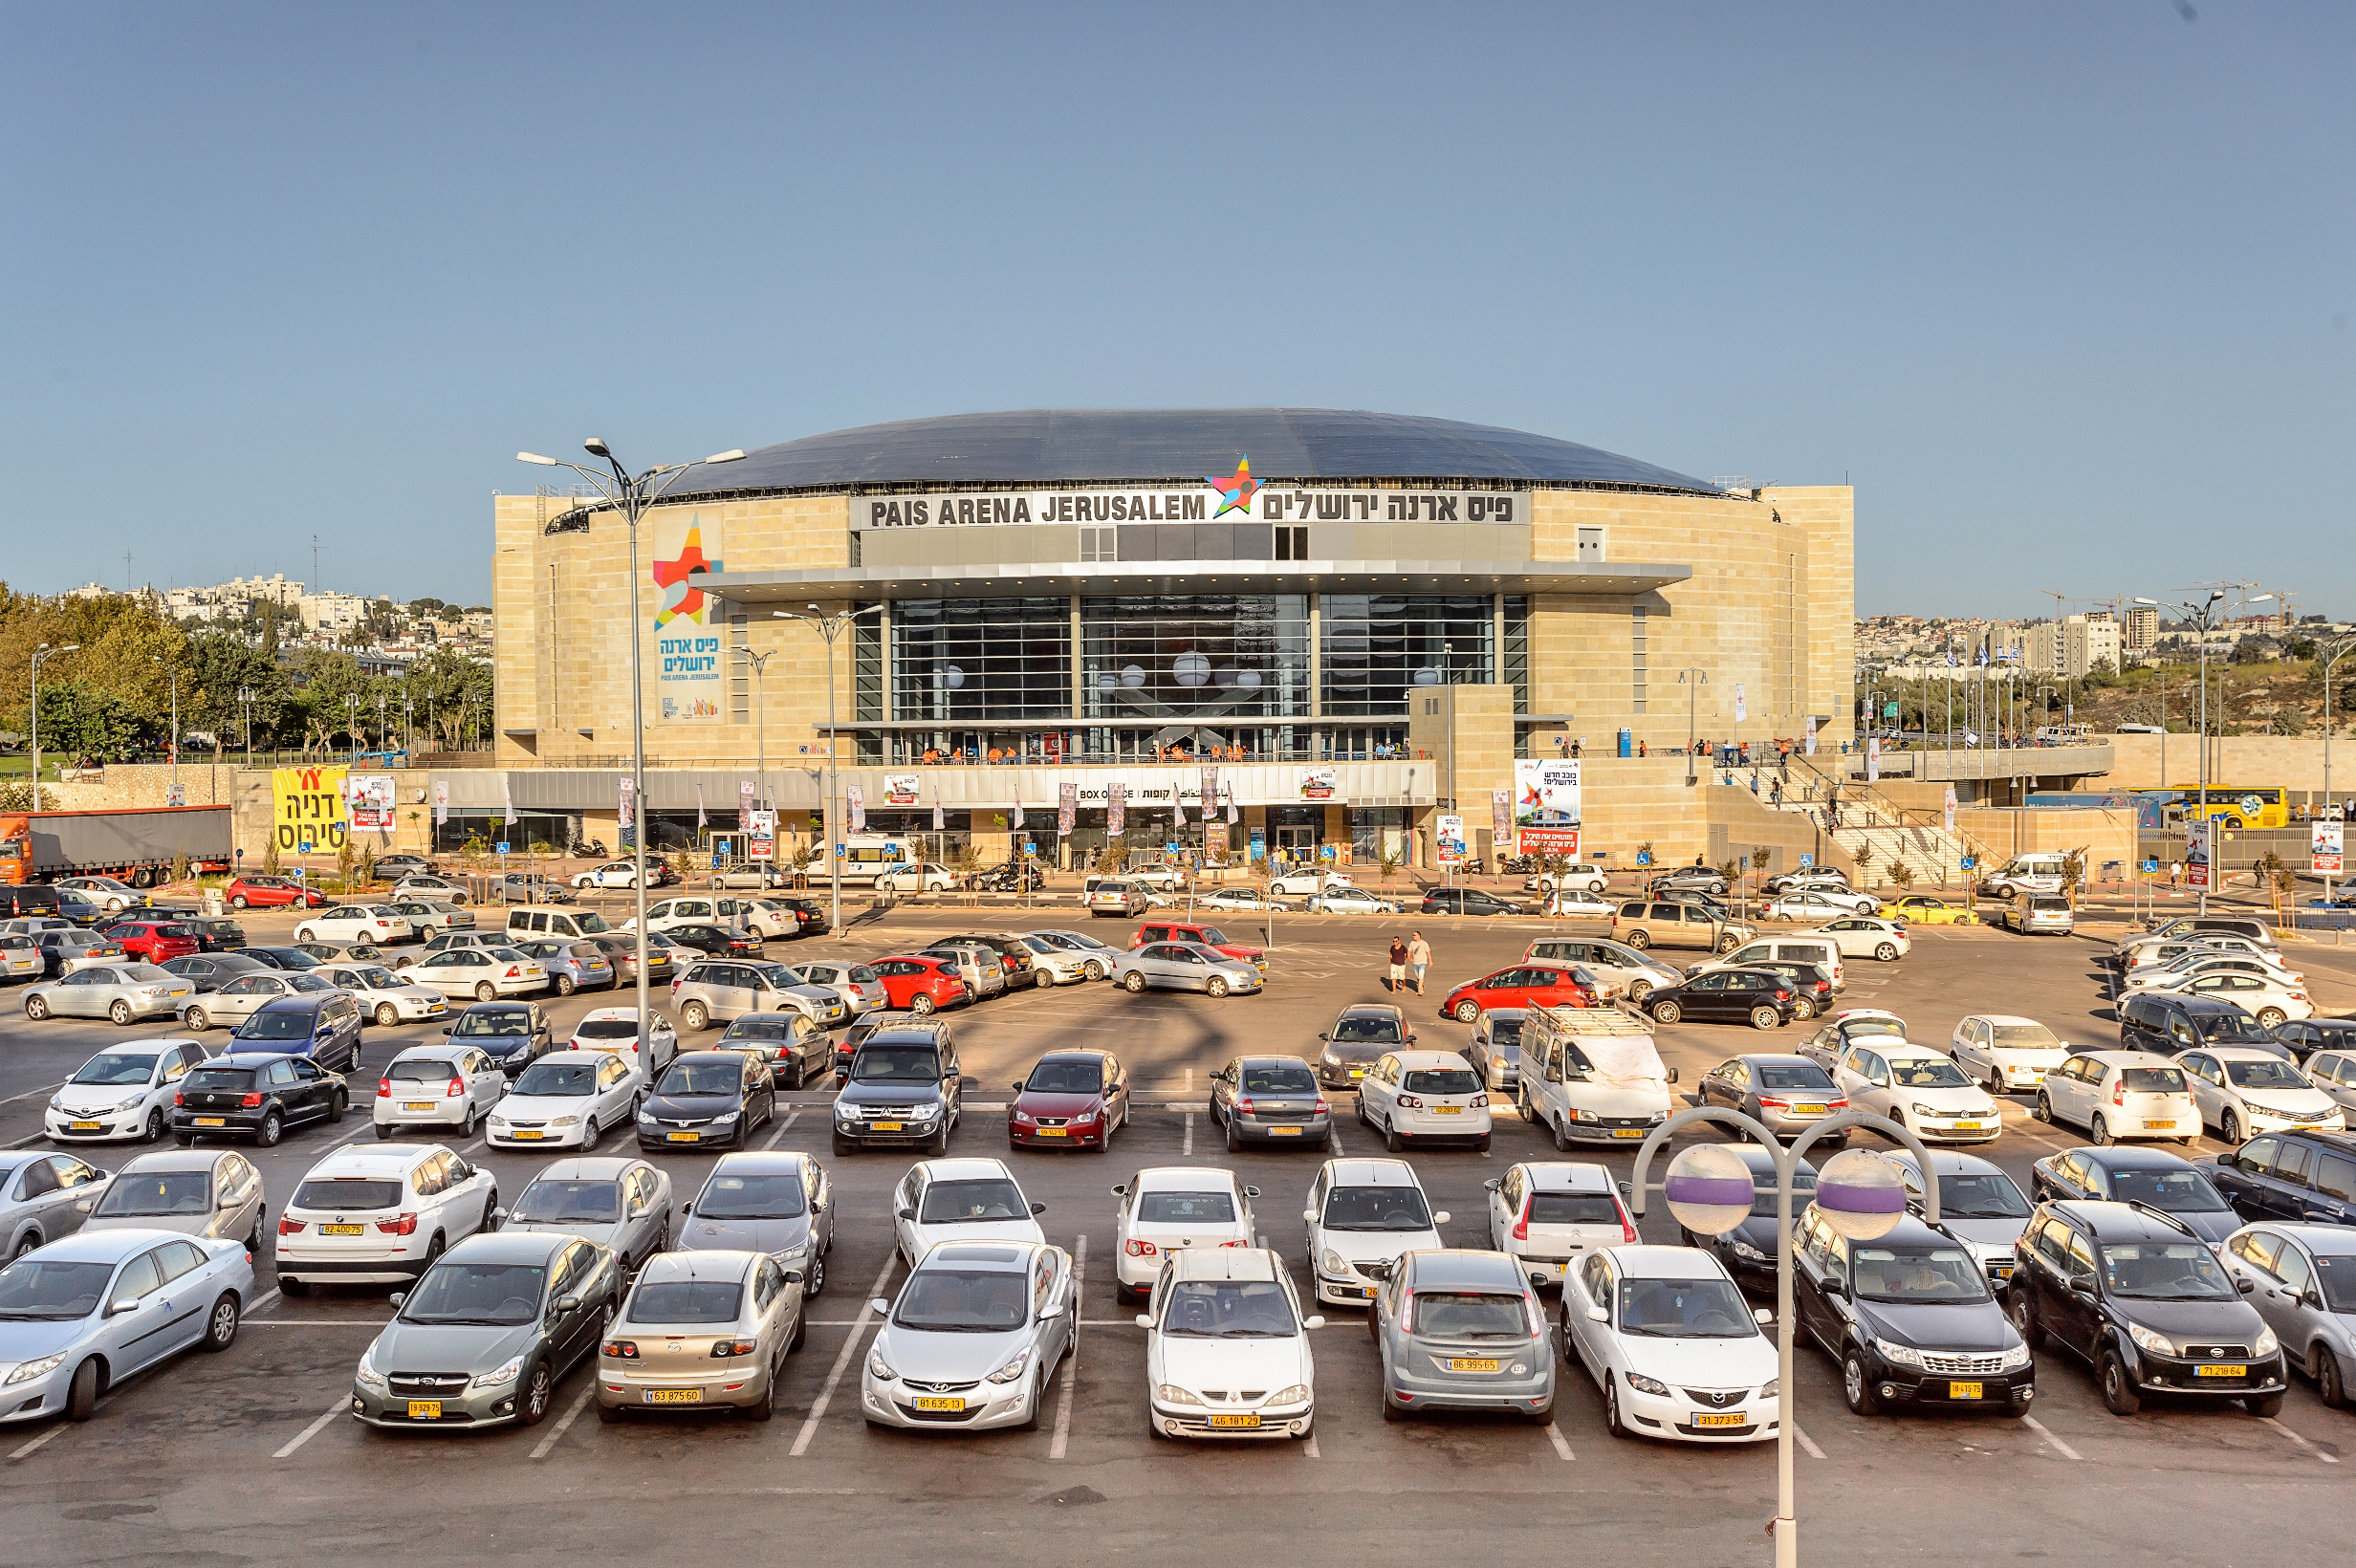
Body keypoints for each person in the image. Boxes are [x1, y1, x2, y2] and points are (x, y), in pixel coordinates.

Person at [1407, 930, 1432, 994]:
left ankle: (1419, 990)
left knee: (1421, 976)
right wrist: (1409, 957)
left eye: (1414, 935)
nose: (1413, 936)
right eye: (1413, 935)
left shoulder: (1424, 943)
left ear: (1418, 936)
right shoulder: (1412, 943)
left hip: (1423, 962)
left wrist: (1430, 961)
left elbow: (1428, 952)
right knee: (1418, 976)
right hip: (1415, 963)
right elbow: (1409, 951)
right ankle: (1421, 987)